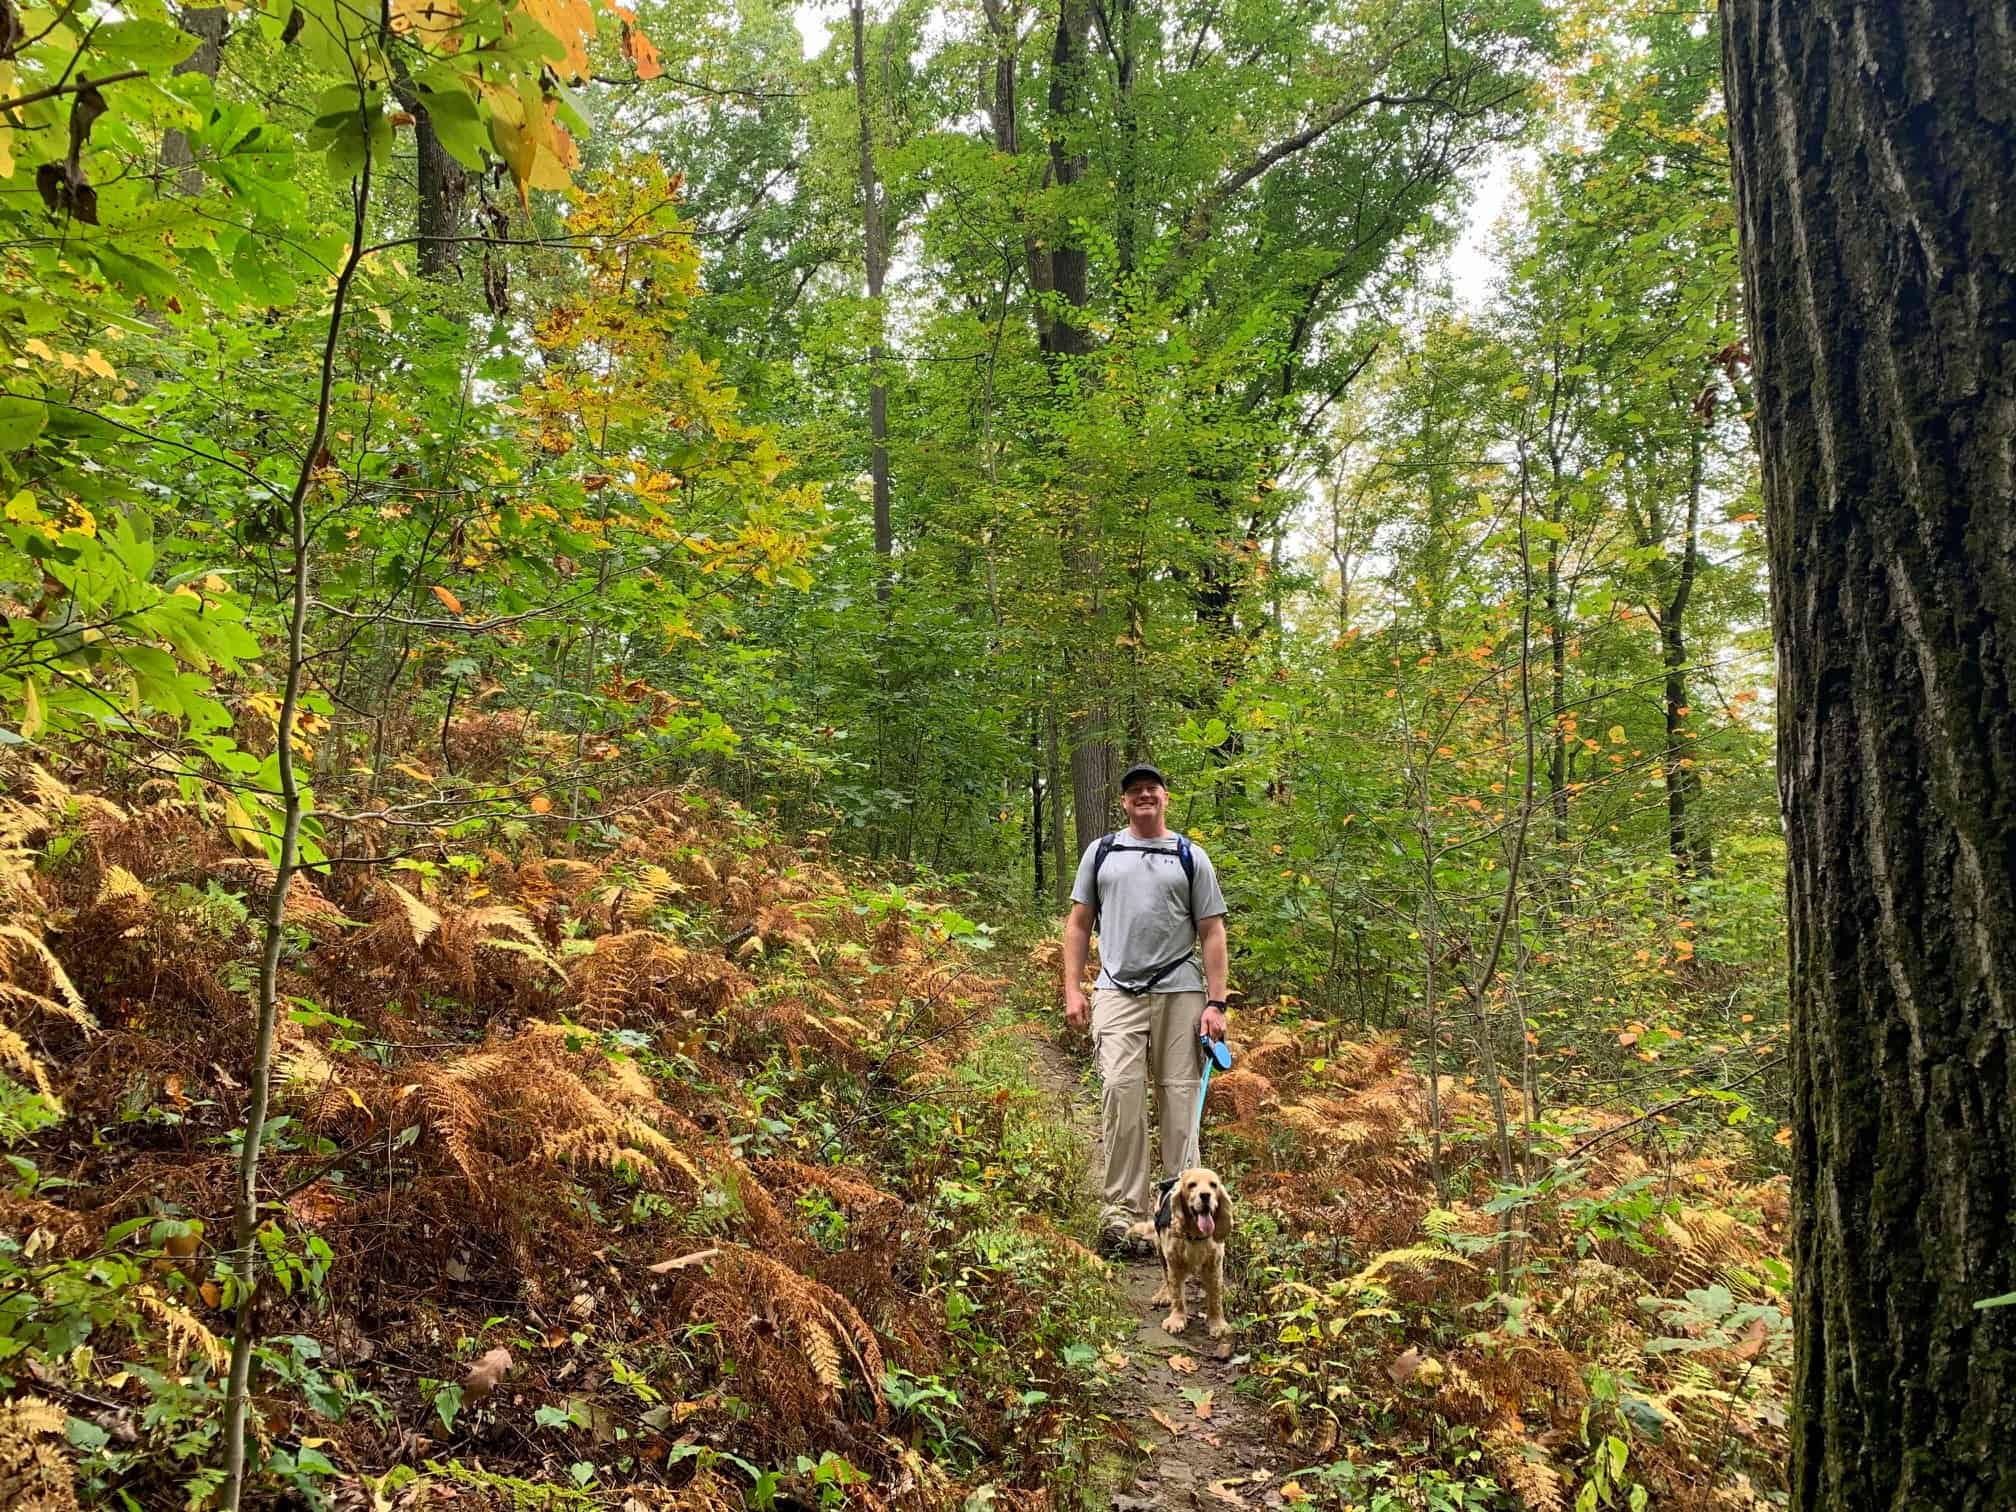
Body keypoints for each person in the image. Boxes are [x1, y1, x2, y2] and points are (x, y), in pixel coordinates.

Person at [1061, 763, 1230, 1256]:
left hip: (1180, 992)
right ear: (1123, 802)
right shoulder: (1103, 853)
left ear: (1165, 798)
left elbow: (1212, 931)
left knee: (1179, 1099)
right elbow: (1077, 926)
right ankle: (1123, 1213)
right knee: (1120, 1091)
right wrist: (1073, 990)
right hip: (1116, 991)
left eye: (1151, 789)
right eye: (1134, 791)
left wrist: (1216, 1003)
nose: (1143, 796)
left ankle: (1180, 1210)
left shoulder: (1189, 856)